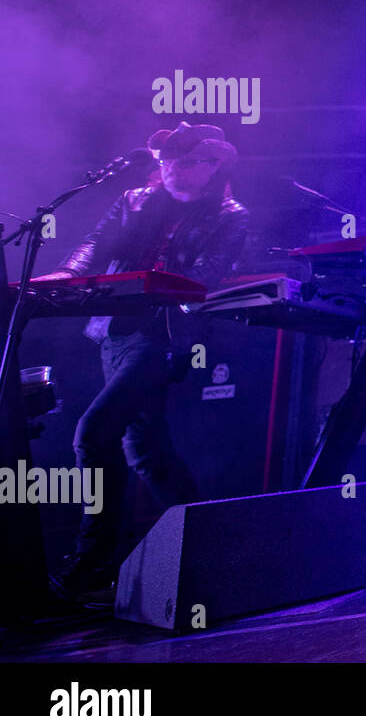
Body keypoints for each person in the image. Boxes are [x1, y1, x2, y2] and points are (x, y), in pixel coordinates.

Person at [35, 122, 249, 600]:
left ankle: (95, 556)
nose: (174, 168)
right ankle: (210, 543)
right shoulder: (134, 200)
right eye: (168, 159)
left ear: (214, 166)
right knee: (148, 449)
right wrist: (68, 272)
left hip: (165, 337)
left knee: (93, 433)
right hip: (116, 332)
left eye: (188, 160)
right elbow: (97, 242)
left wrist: (149, 282)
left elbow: (206, 276)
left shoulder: (230, 215)